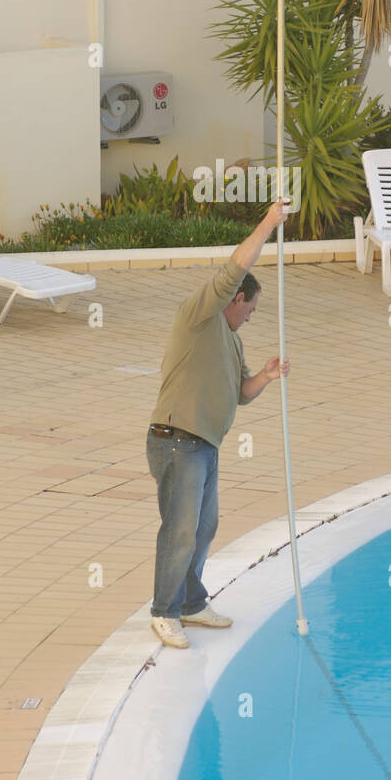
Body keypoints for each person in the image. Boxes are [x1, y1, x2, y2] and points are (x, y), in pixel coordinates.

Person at [146, 199, 291, 649]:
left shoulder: (230, 341)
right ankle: (164, 611)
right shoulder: (200, 316)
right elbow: (233, 268)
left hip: (205, 444)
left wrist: (265, 377)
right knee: (181, 528)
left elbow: (240, 396)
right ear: (237, 299)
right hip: (176, 440)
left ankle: (190, 602)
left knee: (204, 528)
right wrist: (269, 223)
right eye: (251, 308)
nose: (251, 316)